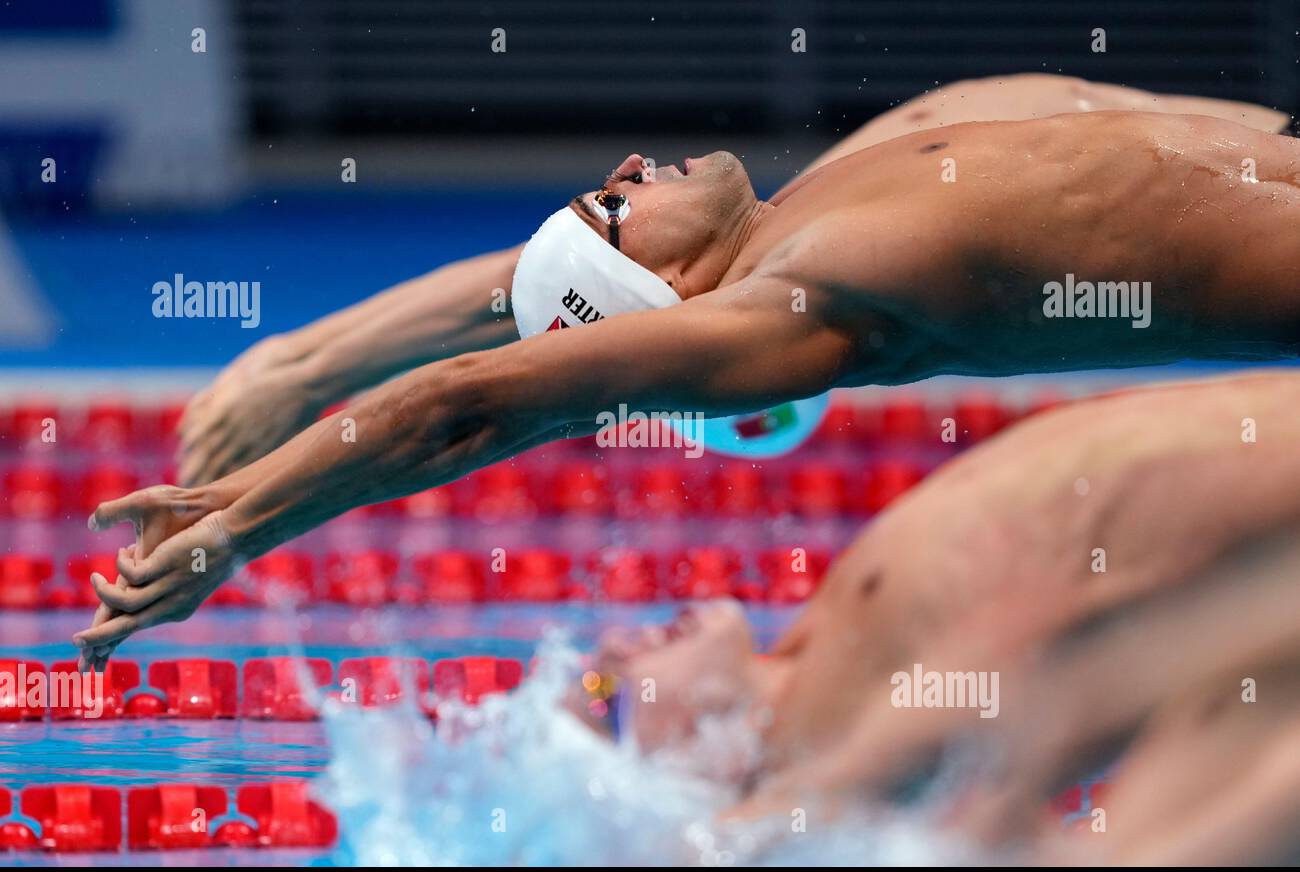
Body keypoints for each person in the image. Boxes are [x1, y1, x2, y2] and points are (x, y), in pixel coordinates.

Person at [77, 77, 1300, 664]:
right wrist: (233, 524)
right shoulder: (799, 298)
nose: (630, 162)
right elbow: (459, 404)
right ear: (665, 299)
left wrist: (301, 362)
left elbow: (514, 294)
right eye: (616, 203)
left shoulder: (819, 197)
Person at [585, 370, 1300, 865]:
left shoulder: (824, 651)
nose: (612, 648)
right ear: (696, 770)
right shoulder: (848, 732)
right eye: (604, 700)